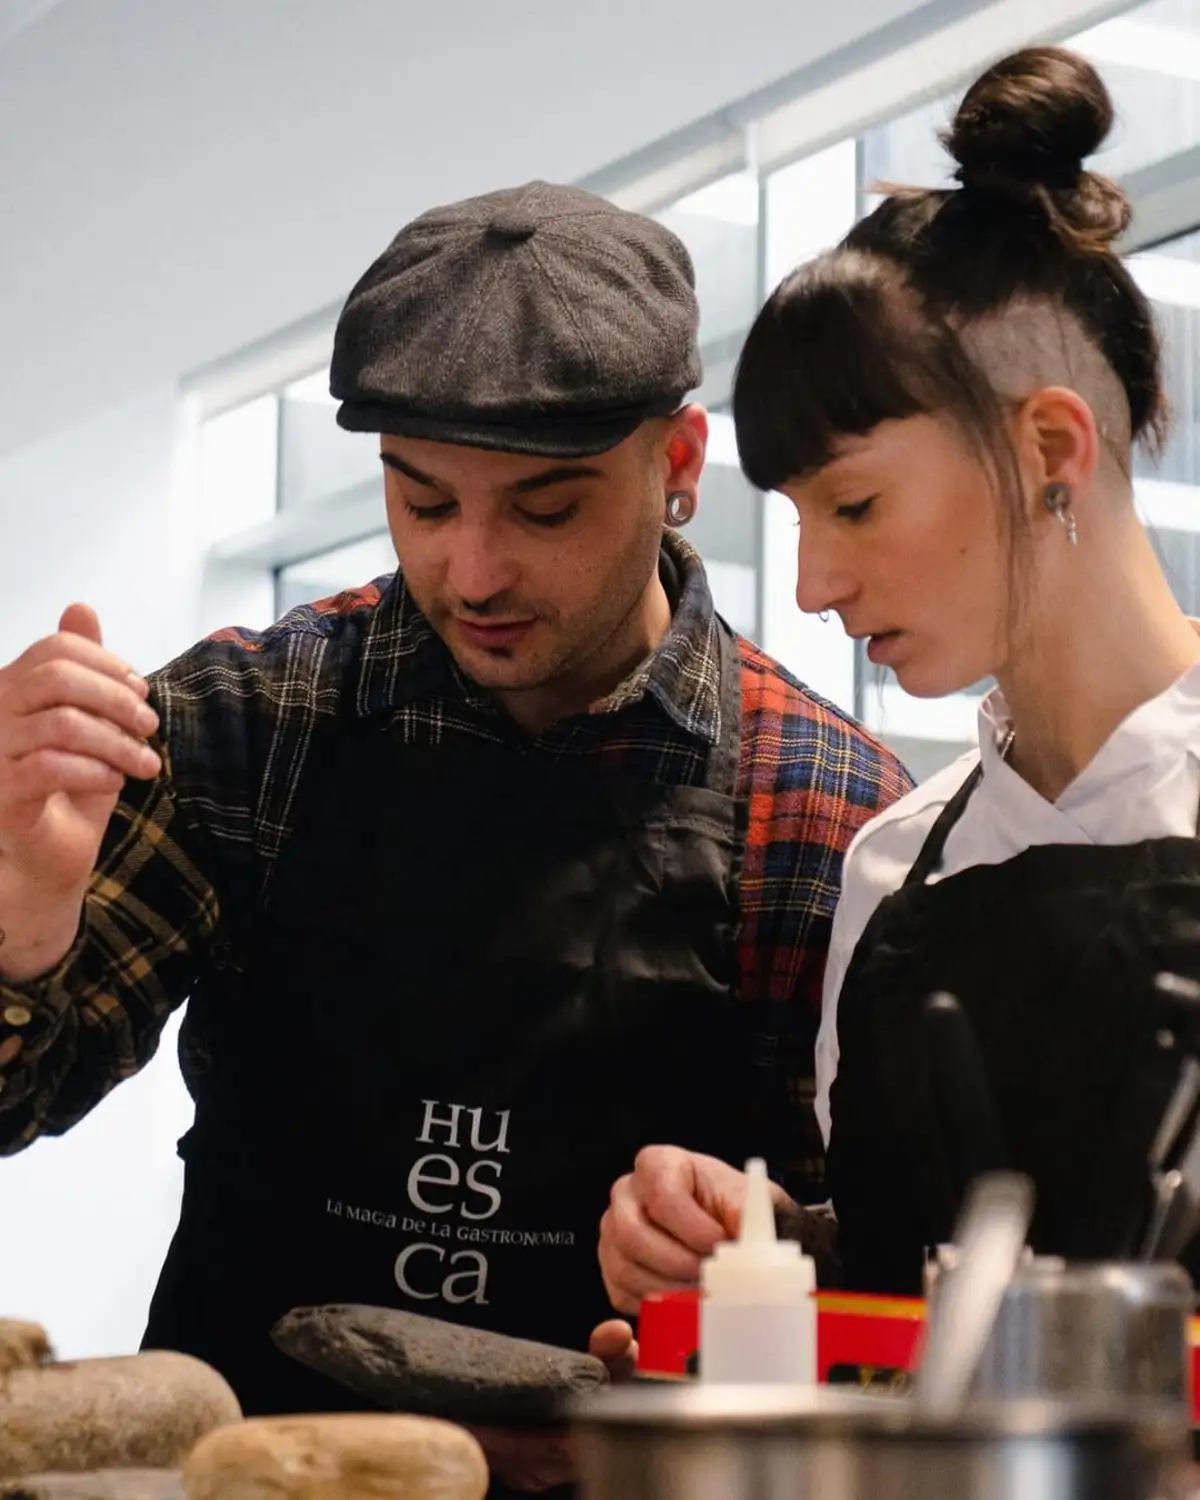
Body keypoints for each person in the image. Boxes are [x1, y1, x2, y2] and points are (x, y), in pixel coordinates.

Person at [0, 180, 908, 1486]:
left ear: (680, 470)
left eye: (546, 512)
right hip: (262, 1470)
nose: (475, 573)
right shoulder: (253, 724)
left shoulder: (824, 806)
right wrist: (22, 910)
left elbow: (886, 1302)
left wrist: (764, 1259)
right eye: (424, 503)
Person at [599, 44, 1200, 1313]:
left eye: (856, 504)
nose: (813, 585)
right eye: (799, 520)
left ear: (1048, 445)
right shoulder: (887, 875)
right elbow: (918, 1304)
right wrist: (775, 1258)